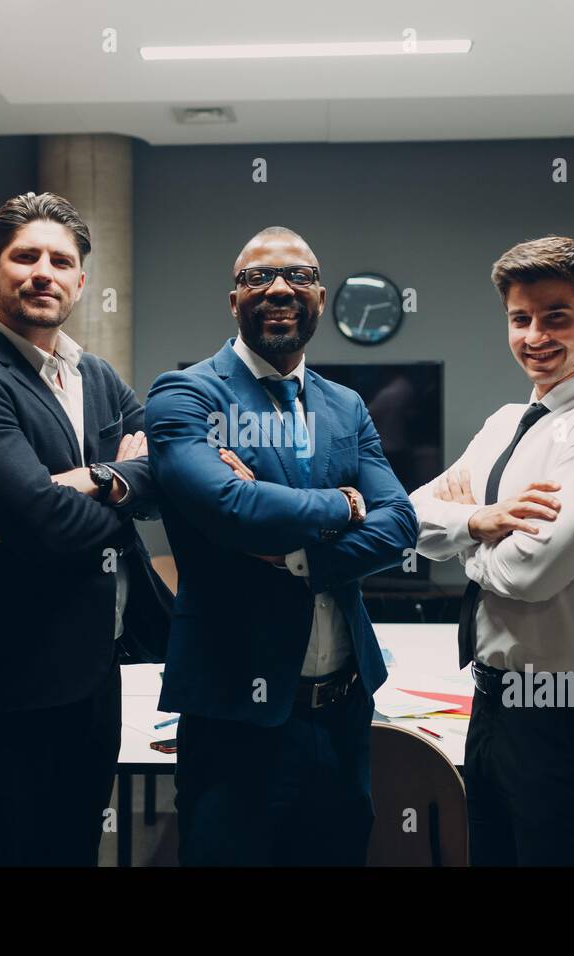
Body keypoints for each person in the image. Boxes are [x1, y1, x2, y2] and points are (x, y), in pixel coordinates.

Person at [145, 225, 418, 866]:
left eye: (297, 276)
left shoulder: (346, 406)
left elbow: (401, 523)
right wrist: (347, 504)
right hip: (236, 715)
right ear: (233, 299)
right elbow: (232, 507)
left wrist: (299, 556)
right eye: (257, 277)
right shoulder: (186, 393)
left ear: (319, 297)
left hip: (343, 711)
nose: (278, 289)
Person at [0, 191, 172, 866]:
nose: (43, 273)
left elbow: (165, 469)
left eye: (60, 261)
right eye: (26, 257)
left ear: (81, 282)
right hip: (2, 689)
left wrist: (96, 480)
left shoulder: (94, 374)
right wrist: (113, 479)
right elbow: (40, 526)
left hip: (92, 679)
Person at [410, 236, 574, 866]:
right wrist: (482, 519)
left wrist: (466, 539)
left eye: (557, 316)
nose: (535, 336)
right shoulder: (504, 422)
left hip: (573, 712)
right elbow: (408, 515)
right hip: (495, 701)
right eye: (520, 319)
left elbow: (530, 574)